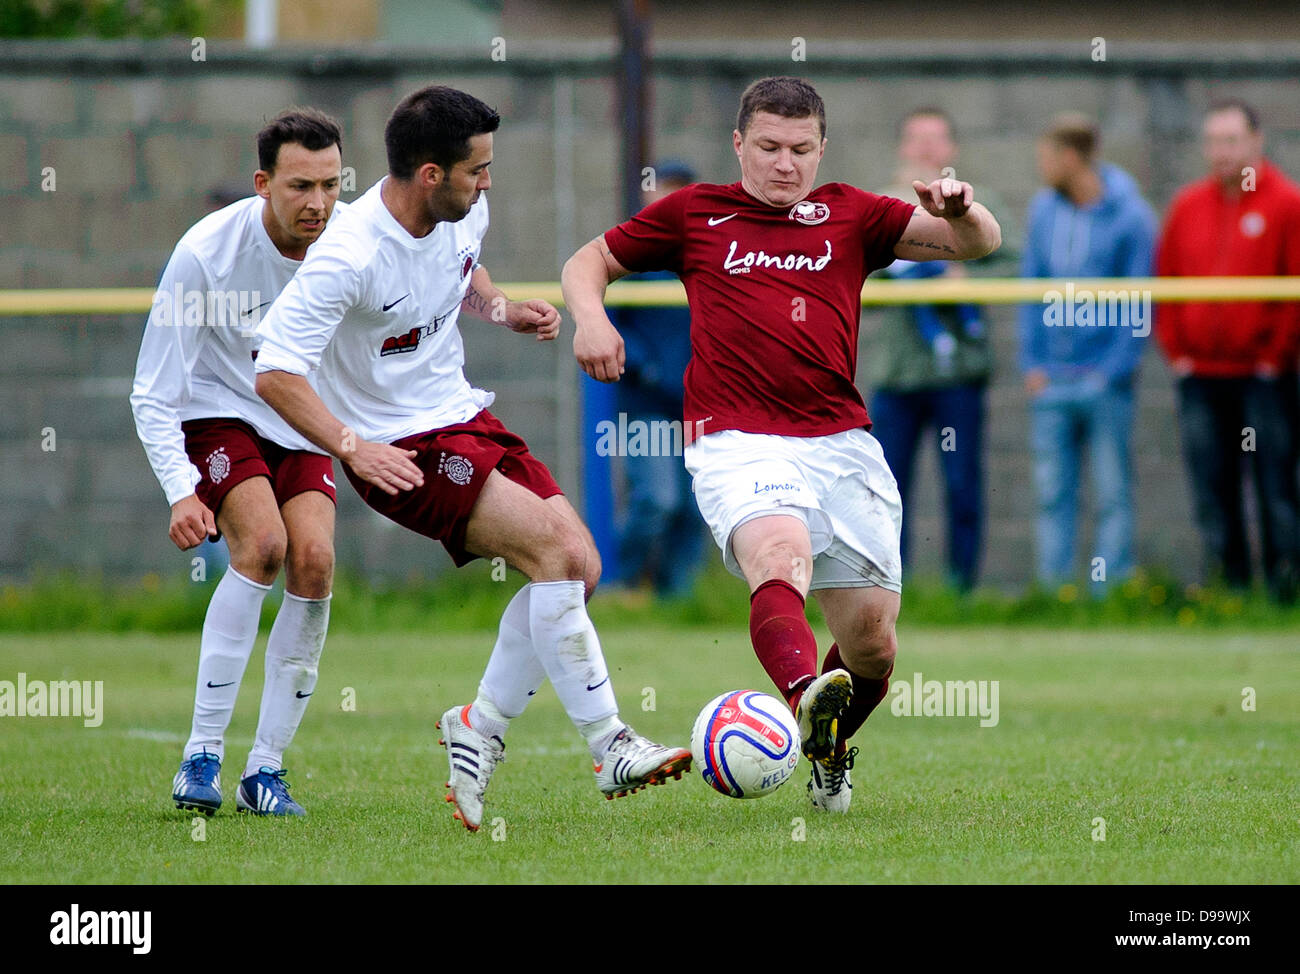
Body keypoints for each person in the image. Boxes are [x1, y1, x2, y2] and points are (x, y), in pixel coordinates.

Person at [253, 85, 690, 834]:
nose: (487, 182)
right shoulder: (347, 255)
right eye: (476, 170)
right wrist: (354, 447)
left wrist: (502, 309)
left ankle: (479, 726)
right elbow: (275, 371)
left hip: (464, 416)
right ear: (430, 173)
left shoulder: (461, 212)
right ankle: (610, 743)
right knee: (554, 551)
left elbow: (464, 274)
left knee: (580, 569)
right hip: (401, 450)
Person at [563, 76, 1001, 812]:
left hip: (840, 443)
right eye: (768, 147)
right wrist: (591, 319)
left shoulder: (853, 214)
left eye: (801, 149)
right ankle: (800, 700)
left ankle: (829, 745)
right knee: (778, 555)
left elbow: (977, 245)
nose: (784, 163)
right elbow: (588, 262)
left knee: (872, 646)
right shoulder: (696, 213)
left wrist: (965, 212)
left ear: (822, 148)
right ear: (740, 144)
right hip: (735, 439)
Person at [130, 108, 346, 817]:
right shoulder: (204, 255)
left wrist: (497, 308)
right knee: (264, 546)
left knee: (313, 561)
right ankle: (202, 754)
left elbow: (428, 281)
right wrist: (181, 492)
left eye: (330, 184)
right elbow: (153, 392)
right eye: (299, 186)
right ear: (262, 184)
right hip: (219, 412)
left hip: (302, 417)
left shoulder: (351, 245)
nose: (317, 202)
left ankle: (265, 772)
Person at [1155, 98, 1300, 603]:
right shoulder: (1188, 205)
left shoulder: (1285, 202)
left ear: (1256, 142)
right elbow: (1166, 282)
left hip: (1265, 379)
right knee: (1213, 485)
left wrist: (1273, 357)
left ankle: (1284, 590)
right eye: (1213, 141)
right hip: (1202, 378)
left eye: (1231, 140)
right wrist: (1178, 353)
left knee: (1275, 484)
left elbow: (1293, 288)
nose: (1220, 152)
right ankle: (1231, 589)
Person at [1018, 113, 1157, 594]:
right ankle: (1055, 594)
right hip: (1052, 380)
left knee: (1111, 492)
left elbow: (1140, 300)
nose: (1040, 166)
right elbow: (1030, 288)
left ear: (1071, 158)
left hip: (1104, 382)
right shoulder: (1042, 210)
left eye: (1045, 156)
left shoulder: (1131, 215)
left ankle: (1109, 592)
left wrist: (1114, 371)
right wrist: (1032, 363)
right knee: (1052, 493)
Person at [864, 108, 995, 592]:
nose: (925, 148)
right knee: (888, 491)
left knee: (962, 485)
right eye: (915, 138)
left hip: (958, 373)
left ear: (952, 149)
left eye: (935, 139)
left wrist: (967, 277)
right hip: (896, 375)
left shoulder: (980, 206)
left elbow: (1017, 267)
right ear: (902, 146)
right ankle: (893, 592)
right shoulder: (878, 207)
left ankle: (962, 591)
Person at [610, 159, 707, 597]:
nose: (671, 199)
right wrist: (644, 365)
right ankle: (623, 585)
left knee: (695, 508)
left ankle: (675, 599)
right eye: (664, 189)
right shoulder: (631, 252)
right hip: (646, 403)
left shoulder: (710, 253)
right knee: (657, 499)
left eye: (682, 191)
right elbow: (607, 324)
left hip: (700, 408)